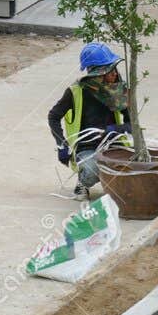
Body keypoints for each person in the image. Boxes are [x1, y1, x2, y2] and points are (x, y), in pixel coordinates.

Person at [48, 43, 129, 199]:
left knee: (130, 171)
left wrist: (115, 130)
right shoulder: (76, 92)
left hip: (114, 145)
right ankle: (83, 182)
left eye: (114, 69)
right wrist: (61, 144)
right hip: (88, 148)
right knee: (93, 170)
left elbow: (132, 124)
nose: (114, 74)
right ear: (97, 74)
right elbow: (53, 116)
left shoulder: (119, 91)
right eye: (109, 70)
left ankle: (112, 182)